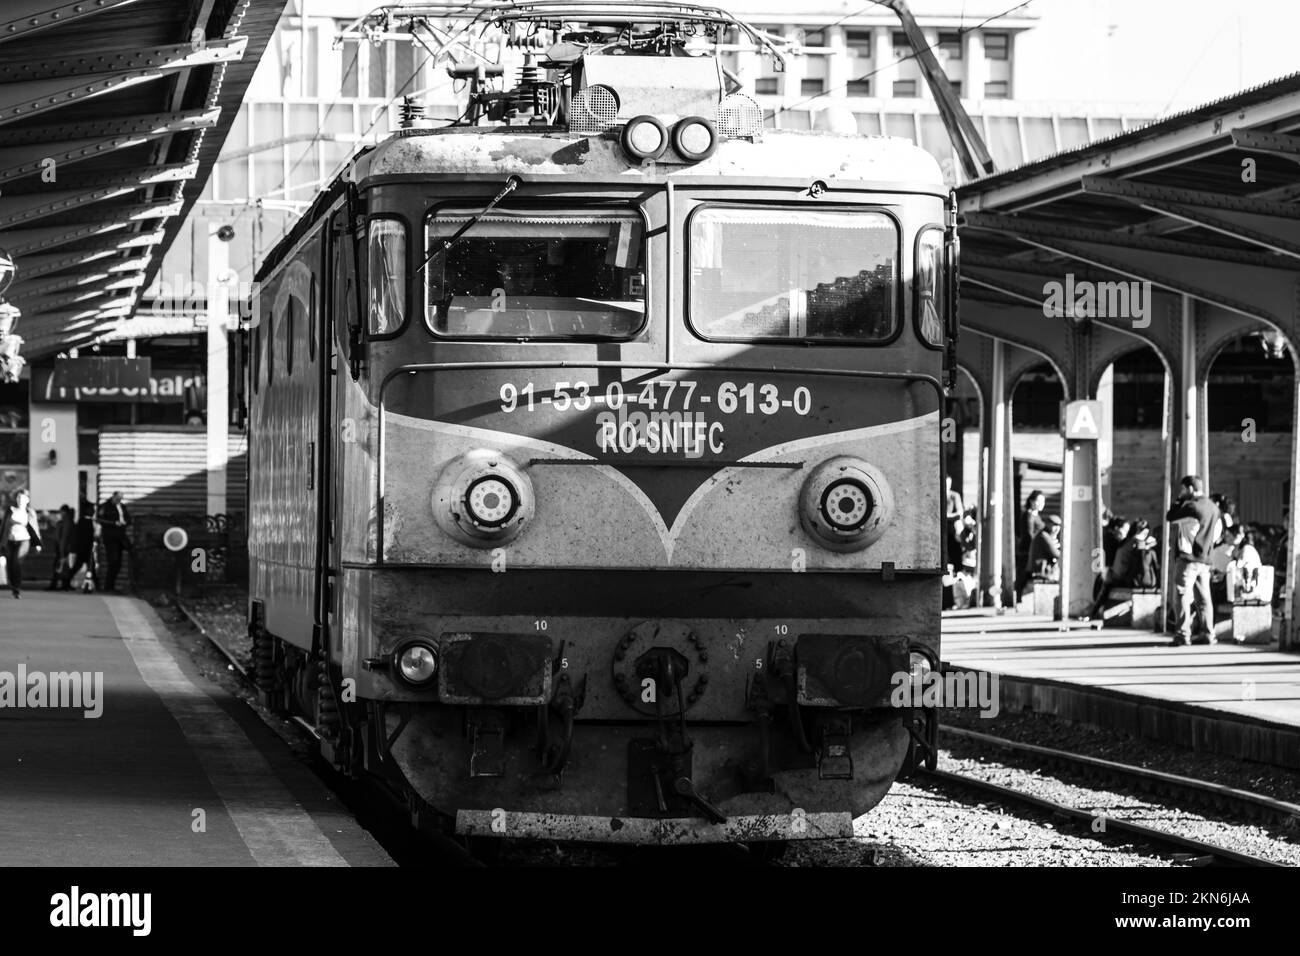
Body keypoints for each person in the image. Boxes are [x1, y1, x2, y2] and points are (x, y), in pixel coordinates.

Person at [1165, 475, 1222, 646]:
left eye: (1183, 489)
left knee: (1182, 595)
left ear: (1190, 488)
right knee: (1204, 598)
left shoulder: (1191, 506)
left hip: (1189, 557)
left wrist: (1178, 500)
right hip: (1205, 558)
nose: (1181, 492)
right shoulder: (1213, 507)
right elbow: (1217, 531)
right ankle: (1209, 633)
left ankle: (1183, 634)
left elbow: (1171, 517)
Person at [1085, 519, 1159, 619]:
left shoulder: (1126, 541)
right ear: (1145, 532)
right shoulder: (1137, 543)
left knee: (1104, 583)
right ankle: (1095, 612)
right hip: (1124, 578)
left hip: (1117, 575)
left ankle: (1094, 611)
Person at [1, 488, 42, 598]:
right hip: (10, 541)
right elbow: (3, 527)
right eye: (18, 497)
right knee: (10, 565)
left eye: (22, 497)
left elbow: (34, 528)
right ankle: (13, 587)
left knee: (16, 562)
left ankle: (17, 588)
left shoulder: (30, 512)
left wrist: (38, 543)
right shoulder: (10, 510)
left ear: (27, 499)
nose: (19, 499)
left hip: (24, 540)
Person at [62, 497, 99, 593]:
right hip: (85, 549)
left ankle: (66, 582)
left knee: (81, 567)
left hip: (84, 548)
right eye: (92, 509)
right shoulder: (85, 521)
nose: (93, 511)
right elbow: (86, 537)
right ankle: (94, 585)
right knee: (89, 567)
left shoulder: (84, 521)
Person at [97, 490, 132, 593]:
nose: (119, 501)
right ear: (113, 497)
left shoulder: (123, 507)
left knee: (118, 563)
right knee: (113, 561)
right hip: (110, 537)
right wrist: (113, 523)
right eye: (117, 499)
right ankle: (108, 586)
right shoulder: (105, 507)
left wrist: (125, 522)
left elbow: (129, 519)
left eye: (120, 499)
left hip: (121, 537)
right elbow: (100, 519)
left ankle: (112, 586)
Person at [1015, 491, 1046, 598]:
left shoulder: (1036, 515)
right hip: (1027, 552)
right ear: (1032, 501)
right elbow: (1029, 535)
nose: (1042, 503)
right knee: (1022, 578)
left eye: (1043, 501)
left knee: (1027, 577)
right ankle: (1017, 600)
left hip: (1033, 552)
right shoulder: (1028, 515)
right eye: (1039, 501)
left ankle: (1022, 599)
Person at [45, 504, 76, 591]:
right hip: (63, 548)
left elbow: (63, 538)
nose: (60, 514)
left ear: (64, 512)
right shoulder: (66, 522)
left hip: (63, 549)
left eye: (61, 512)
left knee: (60, 566)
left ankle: (58, 584)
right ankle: (63, 584)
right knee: (62, 567)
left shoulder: (66, 522)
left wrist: (62, 551)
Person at [1029, 514, 1062, 582]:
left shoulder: (1046, 535)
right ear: (1048, 524)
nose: (1057, 528)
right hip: (1041, 572)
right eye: (1055, 525)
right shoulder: (1044, 536)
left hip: (1041, 570)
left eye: (1059, 526)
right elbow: (1056, 554)